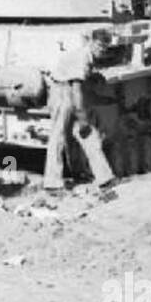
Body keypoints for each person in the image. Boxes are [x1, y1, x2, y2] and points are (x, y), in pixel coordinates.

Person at [43, 38, 117, 194]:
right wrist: (82, 118)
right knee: (58, 138)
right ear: (91, 43)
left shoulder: (87, 56)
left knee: (88, 136)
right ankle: (52, 183)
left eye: (105, 47)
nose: (102, 50)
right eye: (100, 45)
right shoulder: (82, 57)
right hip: (62, 93)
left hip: (68, 91)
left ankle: (104, 178)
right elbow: (76, 91)